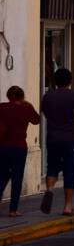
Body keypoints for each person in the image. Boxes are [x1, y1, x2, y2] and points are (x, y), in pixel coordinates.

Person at [40, 68, 74, 216]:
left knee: (52, 168)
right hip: (70, 139)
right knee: (70, 172)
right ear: (70, 81)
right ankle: (68, 206)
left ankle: (50, 189)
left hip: (53, 139)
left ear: (55, 81)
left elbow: (45, 113)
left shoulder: (48, 96)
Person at [0, 86, 40, 217]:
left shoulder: (2, 107)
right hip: (19, 147)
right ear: (22, 96)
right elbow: (36, 120)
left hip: (3, 147)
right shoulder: (26, 108)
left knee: (2, 176)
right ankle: (13, 210)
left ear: (8, 96)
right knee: (17, 178)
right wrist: (28, 104)